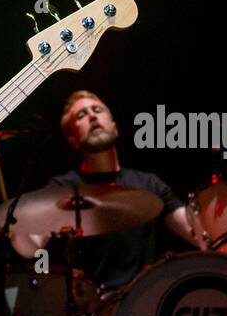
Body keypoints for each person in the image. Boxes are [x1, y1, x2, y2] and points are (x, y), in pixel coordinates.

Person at [25, 90, 205, 292]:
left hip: (144, 300)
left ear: (115, 128)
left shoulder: (150, 184)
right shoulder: (61, 188)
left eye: (97, 110)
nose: (92, 116)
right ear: (73, 140)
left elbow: (200, 236)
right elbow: (31, 246)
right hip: (90, 308)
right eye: (82, 115)